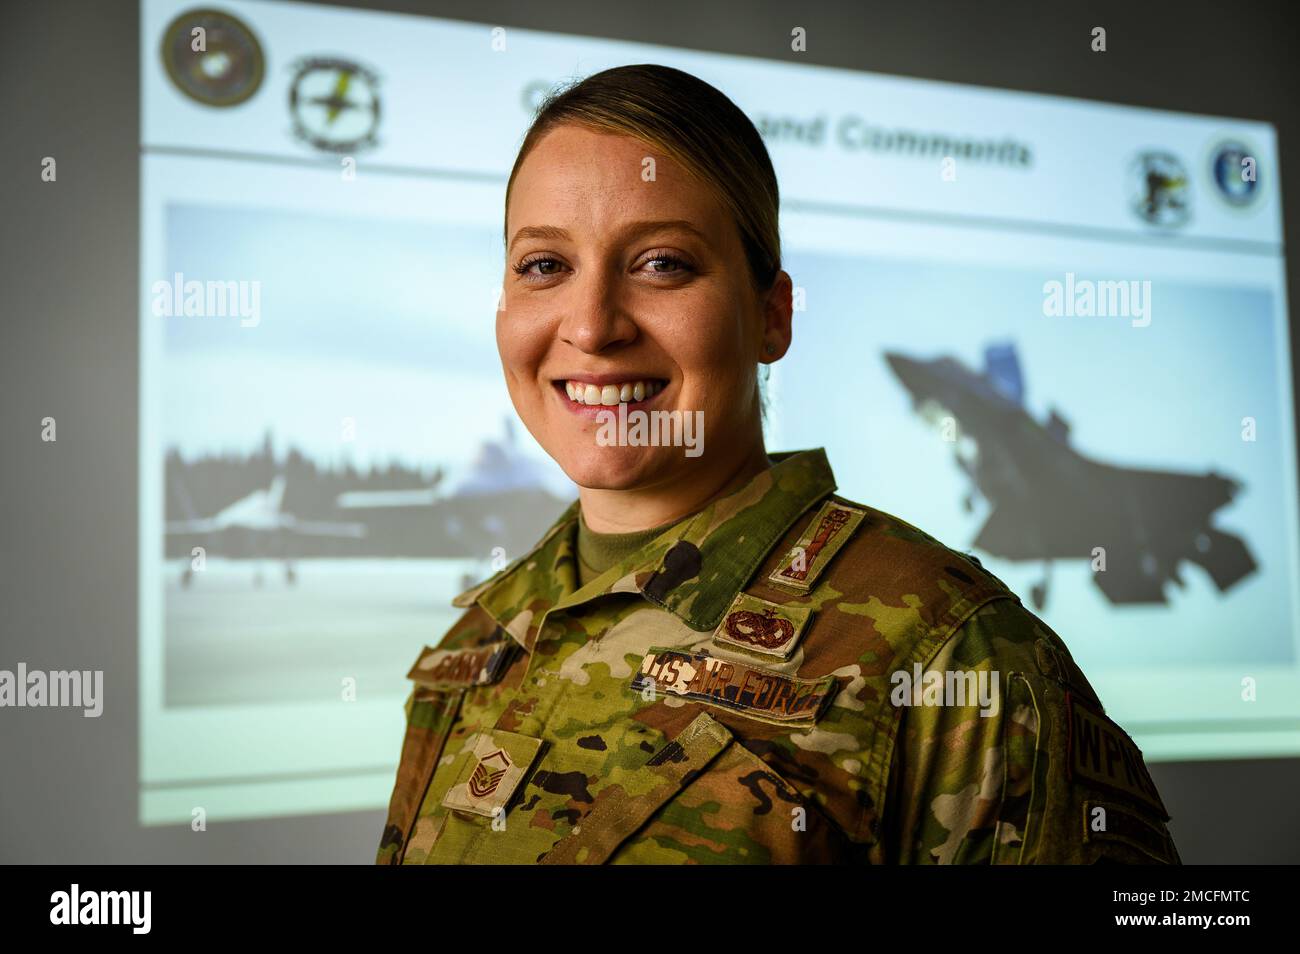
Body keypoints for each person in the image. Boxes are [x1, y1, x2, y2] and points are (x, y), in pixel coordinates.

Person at [375, 64, 1180, 865]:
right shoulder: (473, 647)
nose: (592, 326)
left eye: (661, 263)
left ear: (772, 316)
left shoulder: (953, 657)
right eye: (544, 265)